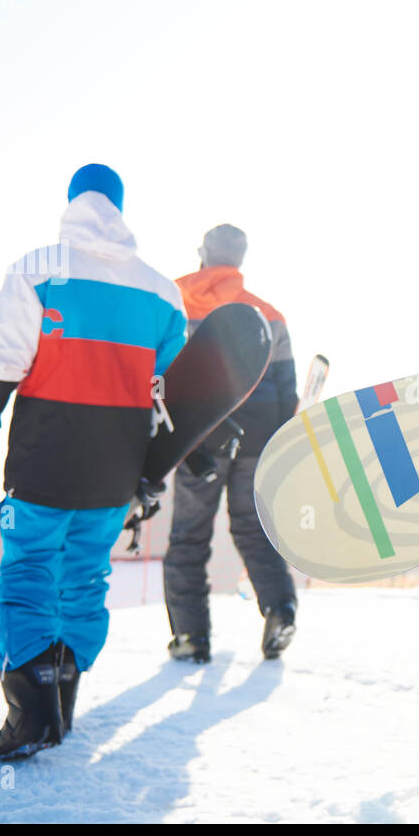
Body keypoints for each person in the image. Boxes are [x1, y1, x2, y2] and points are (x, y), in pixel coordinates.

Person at [0, 164, 187, 760]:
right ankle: (60, 702)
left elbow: (2, 358)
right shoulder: (162, 293)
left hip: (44, 462)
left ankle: (28, 717)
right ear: (120, 206)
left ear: (71, 203)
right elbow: (173, 393)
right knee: (84, 576)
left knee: (30, 571)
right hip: (116, 469)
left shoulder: (36, 271)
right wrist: (154, 472)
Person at [162, 224, 300, 663]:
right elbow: (286, 386)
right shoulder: (269, 312)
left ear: (202, 253)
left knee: (189, 536)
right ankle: (281, 609)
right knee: (254, 528)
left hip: (198, 434)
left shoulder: (172, 302)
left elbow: (162, 371)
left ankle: (191, 636)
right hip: (259, 437)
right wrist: (281, 441)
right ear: (240, 260)